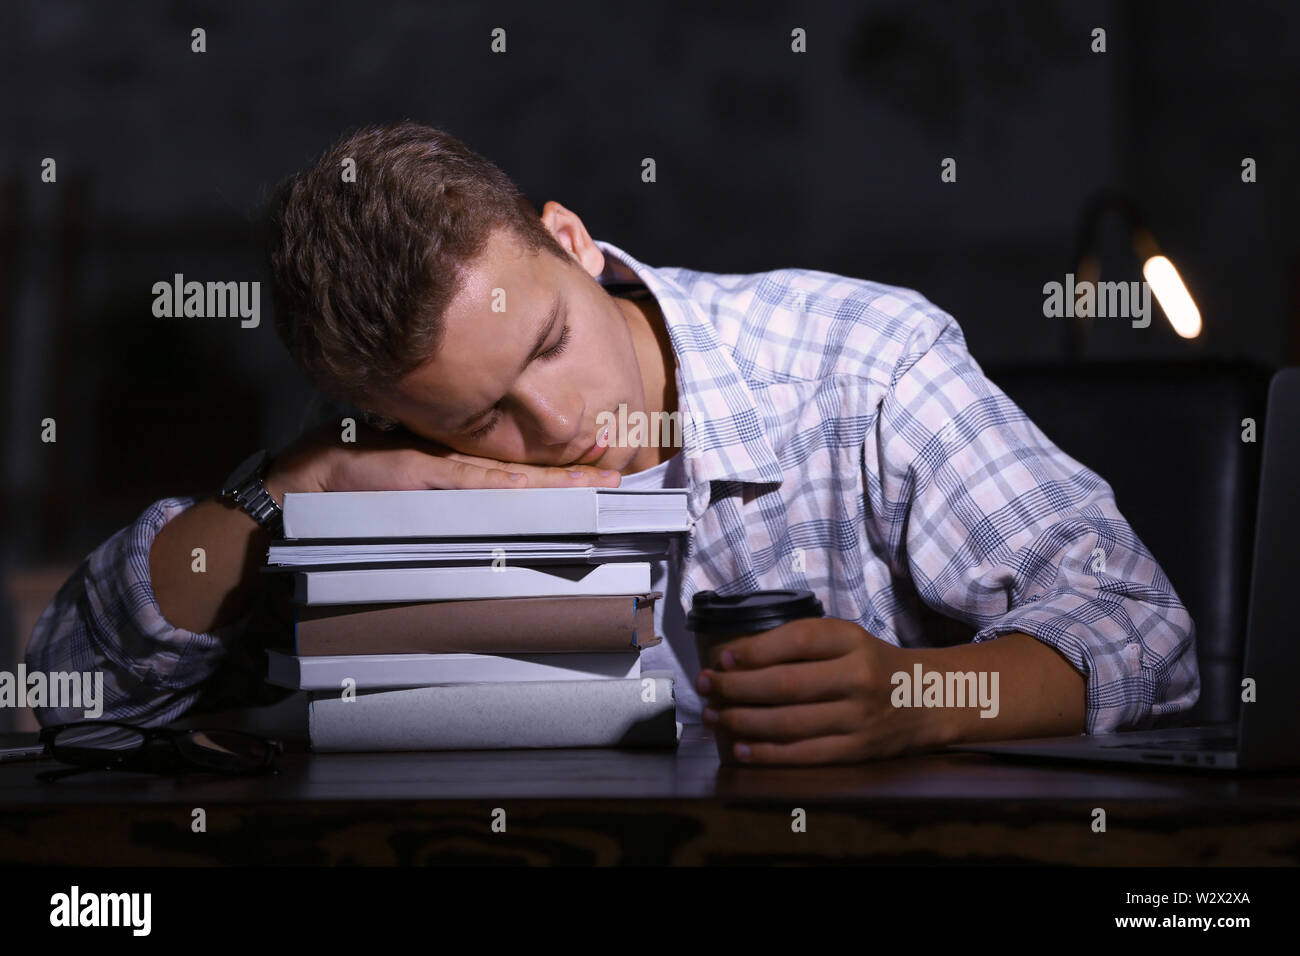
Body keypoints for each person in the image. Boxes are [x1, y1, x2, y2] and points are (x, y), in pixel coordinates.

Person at [25, 121, 1198, 765]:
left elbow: (1138, 624)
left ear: (570, 240)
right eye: (476, 417)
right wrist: (301, 483)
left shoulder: (857, 360)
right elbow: (76, 699)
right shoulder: (363, 459)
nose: (554, 426)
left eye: (544, 346)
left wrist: (920, 691)